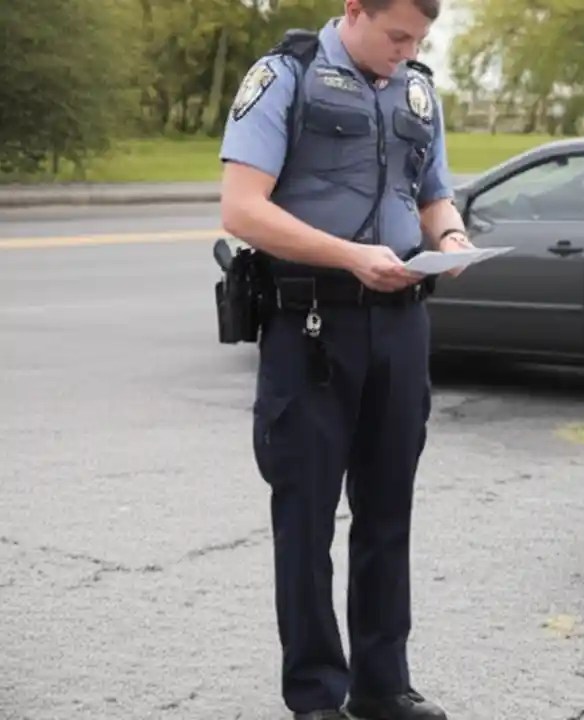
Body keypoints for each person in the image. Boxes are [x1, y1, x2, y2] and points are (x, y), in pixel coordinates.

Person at [218, 0, 470, 717]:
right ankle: (316, 696)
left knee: (389, 511)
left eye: (419, 39)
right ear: (354, 9)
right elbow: (241, 208)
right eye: (397, 35)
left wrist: (450, 238)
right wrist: (348, 256)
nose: (406, 49)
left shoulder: (419, 89)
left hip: (400, 325)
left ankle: (382, 686)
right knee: (306, 518)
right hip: (311, 328)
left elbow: (434, 194)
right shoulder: (285, 76)